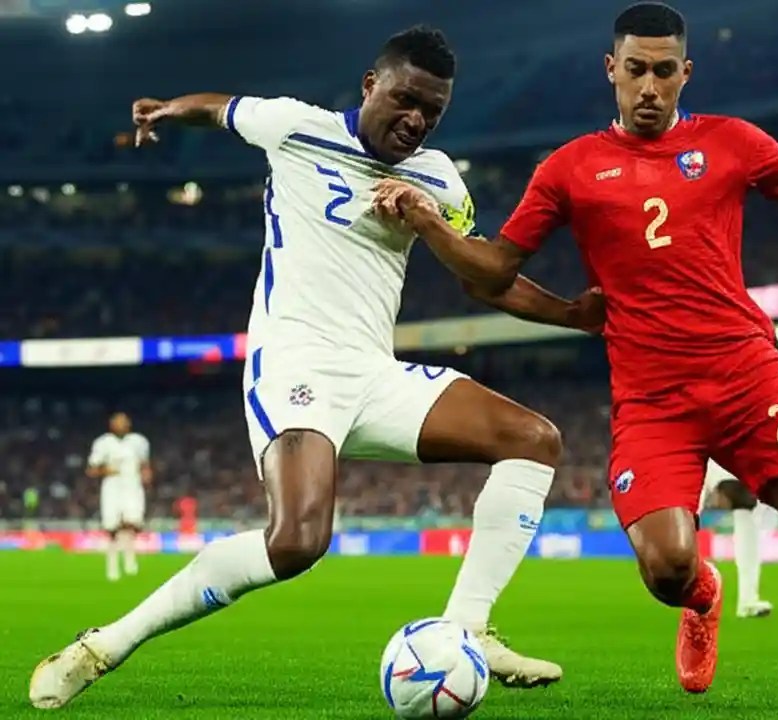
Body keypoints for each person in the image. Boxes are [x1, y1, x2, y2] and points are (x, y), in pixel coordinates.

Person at [372, 4, 778, 716]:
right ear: (611, 70)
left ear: (686, 73)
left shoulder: (731, 142)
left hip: (747, 376)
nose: (650, 87)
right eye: (637, 70)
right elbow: (491, 272)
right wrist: (431, 223)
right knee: (667, 568)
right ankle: (704, 595)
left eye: (665, 71)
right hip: (653, 402)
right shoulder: (570, 168)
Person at [29, 26, 600, 709]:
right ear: (371, 85)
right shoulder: (297, 128)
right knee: (296, 542)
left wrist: (572, 313)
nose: (415, 120)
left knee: (533, 439)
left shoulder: (439, 177)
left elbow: (485, 279)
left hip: (373, 373)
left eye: (432, 112)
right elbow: (223, 107)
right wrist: (165, 110)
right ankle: (104, 646)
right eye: (405, 99)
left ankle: (466, 629)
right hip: (294, 365)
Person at [699, 460, 772, 618]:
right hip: (700, 450)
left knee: (748, 511)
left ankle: (748, 601)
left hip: (732, 452)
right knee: (687, 513)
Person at [86, 412, 152, 582]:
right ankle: (112, 566)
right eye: (117, 422)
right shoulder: (103, 443)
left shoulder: (139, 441)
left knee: (132, 523)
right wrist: (105, 470)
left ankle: (130, 560)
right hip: (112, 487)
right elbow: (92, 469)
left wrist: (146, 474)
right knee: (112, 528)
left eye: (123, 422)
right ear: (111, 425)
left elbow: (145, 464)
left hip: (132, 486)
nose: (120, 425)